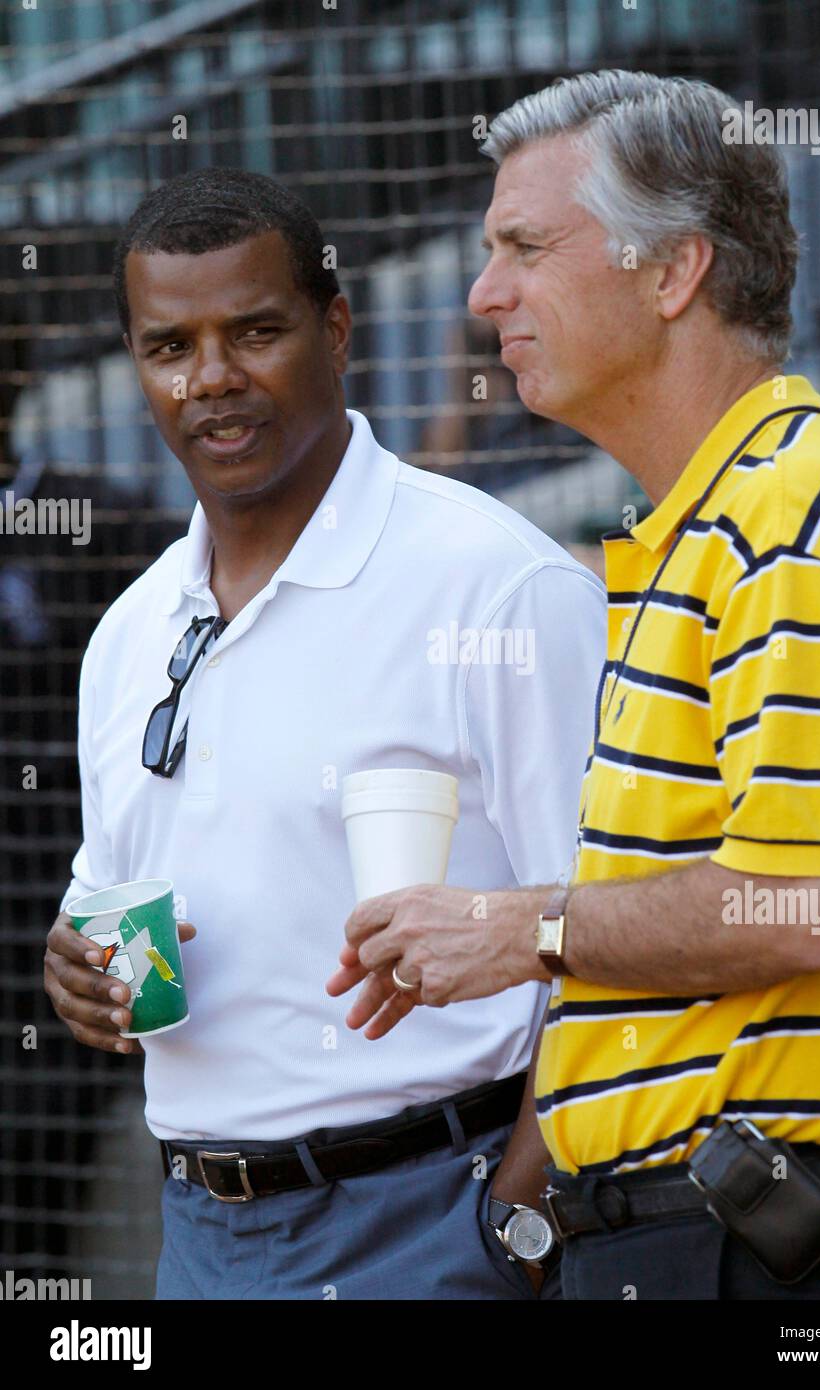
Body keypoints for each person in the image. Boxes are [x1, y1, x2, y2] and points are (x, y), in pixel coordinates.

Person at [331, 70, 820, 1300]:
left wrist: (520, 928)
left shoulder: (794, 515)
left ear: (671, 272)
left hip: (768, 1238)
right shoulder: (722, 519)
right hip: (708, 1233)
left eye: (523, 246)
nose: (483, 293)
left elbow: (810, 904)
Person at [42, 167, 607, 1300]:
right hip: (199, 1234)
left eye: (254, 331)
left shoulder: (495, 587)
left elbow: (619, 931)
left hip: (436, 1217)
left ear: (336, 328)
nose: (211, 380)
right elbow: (109, 904)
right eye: (169, 347)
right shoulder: (126, 631)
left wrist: (520, 1213)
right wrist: (79, 971)